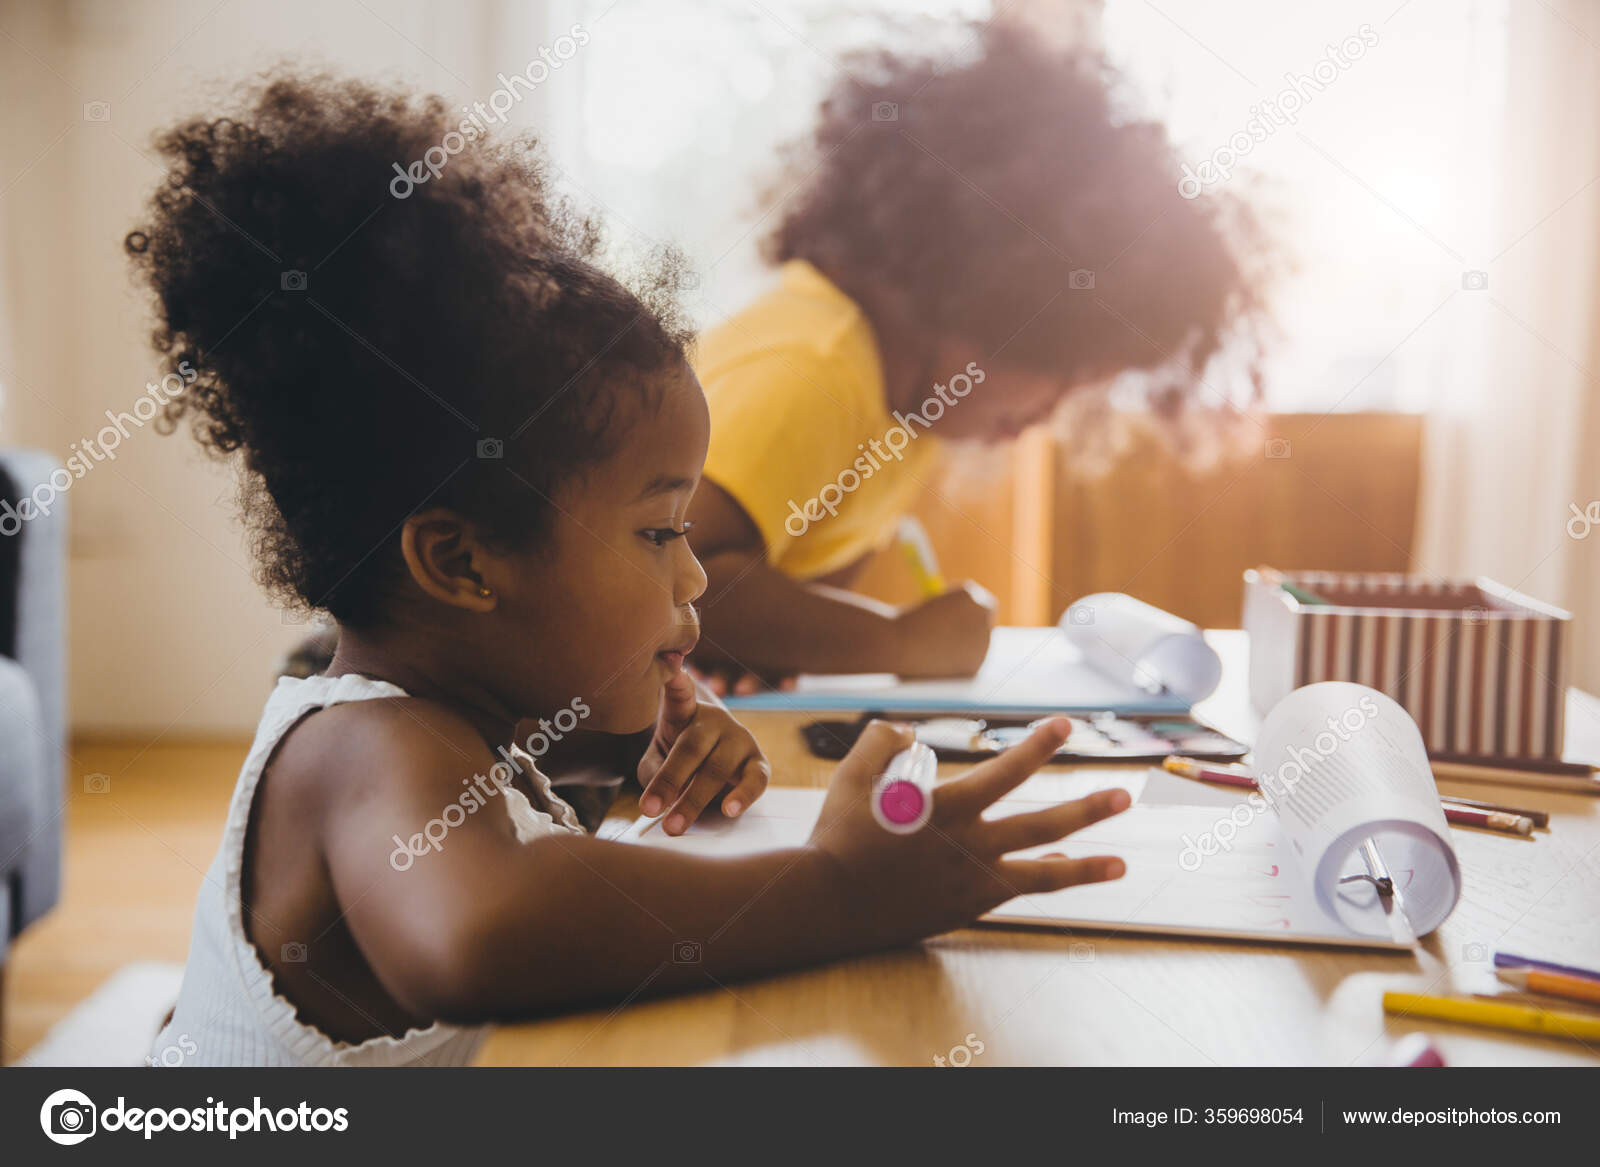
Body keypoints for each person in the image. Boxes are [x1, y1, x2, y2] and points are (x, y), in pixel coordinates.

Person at [126, 73, 1130, 1066]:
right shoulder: (366, 749)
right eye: (659, 533)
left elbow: (531, 862)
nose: (697, 577)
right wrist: (839, 887)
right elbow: (480, 935)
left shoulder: (463, 732)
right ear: (461, 563)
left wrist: (629, 766)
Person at [688, 23, 1265, 692]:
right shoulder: (815, 370)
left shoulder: (907, 409)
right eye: (1057, 375)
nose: (1047, 414)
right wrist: (900, 641)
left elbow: (761, 605)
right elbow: (679, 583)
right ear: (978, 296)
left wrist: (758, 652)